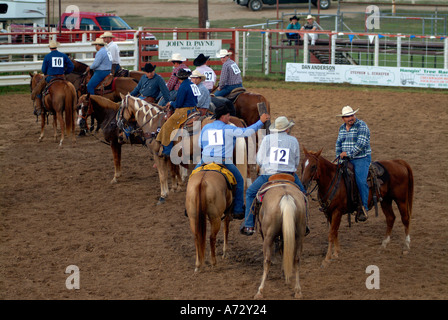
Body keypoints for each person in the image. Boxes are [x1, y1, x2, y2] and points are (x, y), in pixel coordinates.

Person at [196, 103, 270, 219]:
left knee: (193, 177)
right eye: (228, 115)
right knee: (239, 180)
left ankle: (189, 205)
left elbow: (200, 144)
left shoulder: (206, 127)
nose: (229, 118)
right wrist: (260, 121)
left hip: (205, 159)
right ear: (223, 117)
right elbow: (246, 132)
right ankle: (237, 209)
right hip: (222, 161)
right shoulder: (228, 129)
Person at [240, 116, 307, 236]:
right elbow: (296, 161)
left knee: (250, 193)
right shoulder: (293, 140)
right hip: (288, 175)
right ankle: (304, 224)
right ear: (287, 129)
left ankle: (249, 225)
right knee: (303, 194)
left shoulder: (267, 139)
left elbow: (259, 159)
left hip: (269, 175)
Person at [335, 106, 371, 222]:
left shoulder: (362, 126)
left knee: (361, 180)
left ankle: (364, 207)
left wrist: (348, 154)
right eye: (347, 116)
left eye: (352, 115)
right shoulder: (341, 128)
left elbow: (361, 144)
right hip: (346, 158)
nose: (350, 118)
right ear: (343, 119)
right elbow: (338, 143)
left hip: (361, 158)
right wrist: (339, 156)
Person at [156, 68, 199, 157]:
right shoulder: (193, 84)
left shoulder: (183, 86)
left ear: (179, 79)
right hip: (194, 109)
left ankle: (167, 150)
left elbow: (179, 104)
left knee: (168, 125)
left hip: (184, 111)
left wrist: (171, 103)